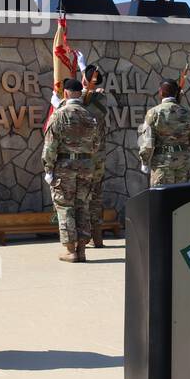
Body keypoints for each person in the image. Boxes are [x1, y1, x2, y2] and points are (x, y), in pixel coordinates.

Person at [42, 77, 98, 262]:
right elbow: (96, 144)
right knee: (83, 206)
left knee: (65, 206)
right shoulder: (90, 116)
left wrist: (48, 169)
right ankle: (82, 249)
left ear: (65, 93)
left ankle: (70, 250)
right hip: (86, 166)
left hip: (65, 167)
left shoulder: (59, 115)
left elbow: (50, 146)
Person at [137, 79, 190, 186]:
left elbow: (148, 141)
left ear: (161, 92)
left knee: (162, 199)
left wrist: (144, 161)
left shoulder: (154, 112)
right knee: (182, 200)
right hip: (183, 161)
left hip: (163, 163)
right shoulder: (187, 113)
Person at [81, 64, 111, 247]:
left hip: (84, 157)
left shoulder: (82, 99)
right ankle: (97, 236)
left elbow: (80, 100)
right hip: (98, 156)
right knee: (96, 197)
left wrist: (86, 77)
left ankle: (84, 236)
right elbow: (89, 96)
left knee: (83, 198)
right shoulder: (101, 96)